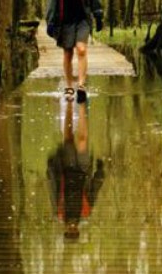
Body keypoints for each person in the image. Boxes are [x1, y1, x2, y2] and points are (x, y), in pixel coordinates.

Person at [45, 0, 103, 101]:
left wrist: (98, 15)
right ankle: (69, 87)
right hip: (65, 21)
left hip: (82, 19)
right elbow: (52, 0)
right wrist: (50, 21)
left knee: (82, 49)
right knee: (68, 54)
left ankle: (82, 86)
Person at [47, 97, 105, 240]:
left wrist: (50, 170)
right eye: (74, 232)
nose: (72, 229)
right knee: (82, 139)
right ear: (78, 231)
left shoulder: (59, 213)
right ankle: (82, 104)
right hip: (83, 169)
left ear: (65, 230)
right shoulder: (85, 212)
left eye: (69, 232)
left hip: (66, 168)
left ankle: (69, 103)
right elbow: (93, 191)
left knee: (68, 136)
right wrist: (100, 172)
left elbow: (53, 189)